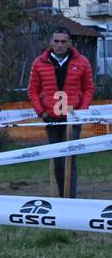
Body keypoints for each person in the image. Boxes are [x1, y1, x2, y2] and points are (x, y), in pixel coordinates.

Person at [28, 28, 94, 197]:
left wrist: (81, 111)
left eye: (63, 41)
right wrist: (41, 112)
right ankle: (61, 197)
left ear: (70, 43)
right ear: (51, 42)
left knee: (69, 159)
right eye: (56, 41)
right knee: (58, 160)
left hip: (73, 119)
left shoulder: (82, 62)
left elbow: (88, 88)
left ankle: (70, 199)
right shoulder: (39, 63)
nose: (59, 45)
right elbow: (32, 91)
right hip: (51, 119)